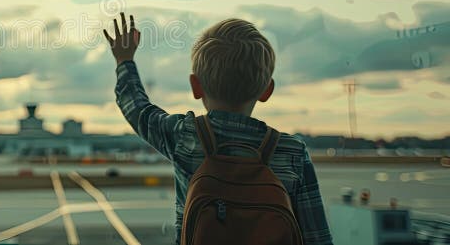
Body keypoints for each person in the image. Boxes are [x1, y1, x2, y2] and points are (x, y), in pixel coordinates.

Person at [104, 14, 333, 245]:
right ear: (267, 90)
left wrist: (125, 60)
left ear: (196, 86)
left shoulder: (185, 136)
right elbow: (317, 237)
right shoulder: (292, 152)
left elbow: (138, 109)